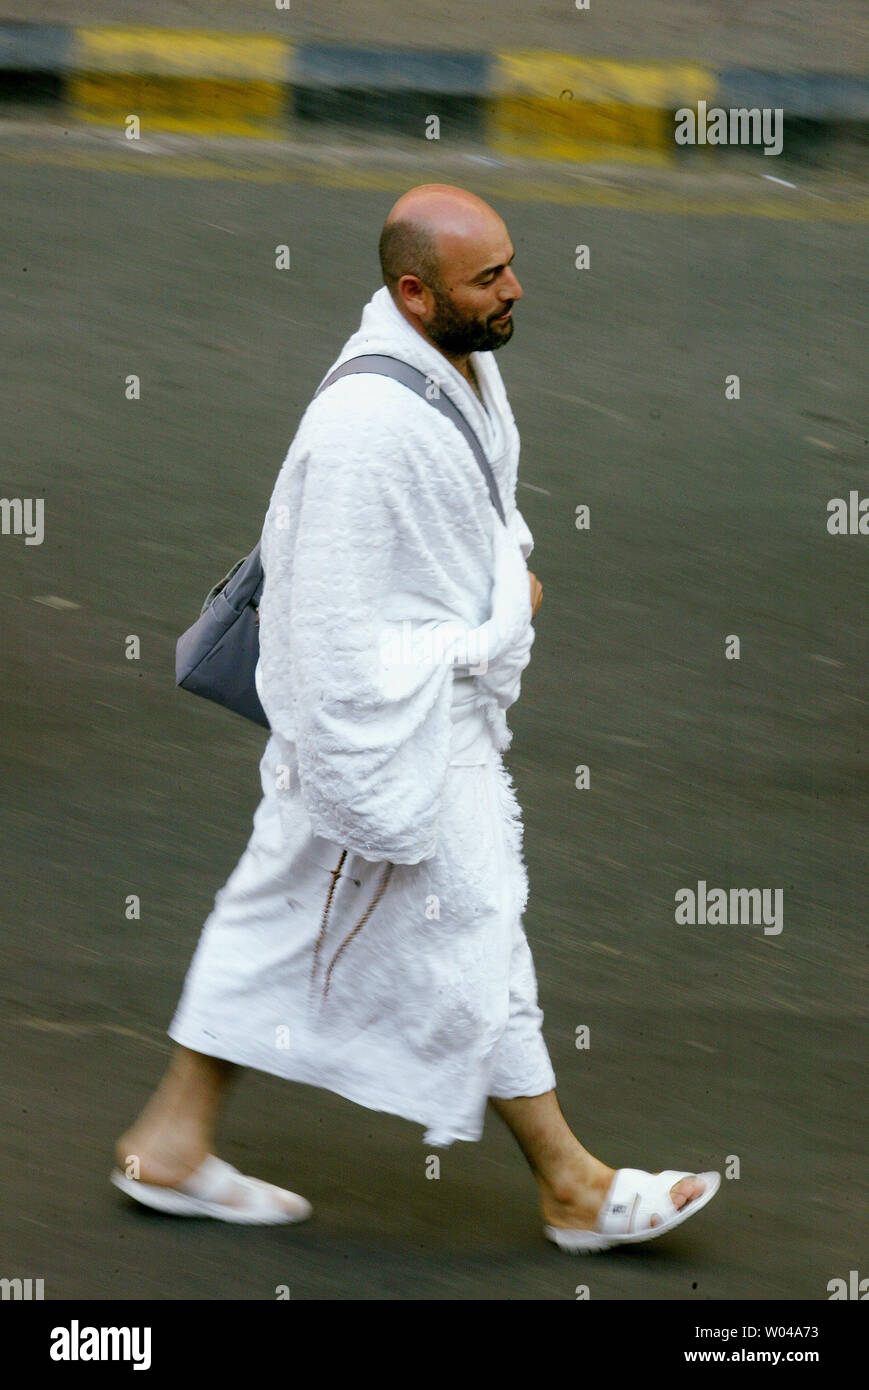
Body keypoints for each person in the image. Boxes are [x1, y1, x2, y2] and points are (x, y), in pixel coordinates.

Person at [111, 184, 720, 1253]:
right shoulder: (360, 426)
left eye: (509, 264)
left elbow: (475, 519)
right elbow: (333, 629)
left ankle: (169, 1141)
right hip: (385, 747)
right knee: (474, 939)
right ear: (413, 290)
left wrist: (500, 584)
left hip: (386, 738)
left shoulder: (457, 368)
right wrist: (483, 639)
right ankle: (572, 1185)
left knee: (272, 930)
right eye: (488, 278)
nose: (514, 288)